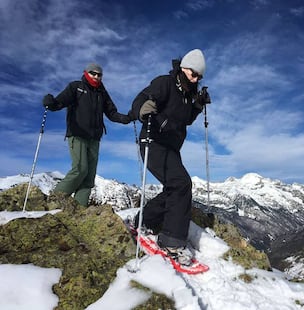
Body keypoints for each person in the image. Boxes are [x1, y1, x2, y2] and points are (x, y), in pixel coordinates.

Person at [128, 49, 211, 266]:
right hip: (152, 141)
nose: (196, 79)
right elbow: (141, 99)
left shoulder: (188, 94)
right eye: (194, 74)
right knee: (181, 183)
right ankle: (171, 241)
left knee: (174, 187)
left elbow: (187, 120)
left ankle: (143, 221)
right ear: (184, 68)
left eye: (199, 77)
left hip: (171, 147)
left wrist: (197, 105)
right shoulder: (164, 83)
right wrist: (142, 109)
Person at [42, 63, 131, 206]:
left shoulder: (101, 92)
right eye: (92, 73)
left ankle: (79, 210)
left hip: (94, 138)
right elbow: (59, 102)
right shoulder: (76, 87)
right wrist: (51, 103)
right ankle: (54, 203)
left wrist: (126, 118)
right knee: (80, 169)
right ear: (86, 73)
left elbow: (111, 112)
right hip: (77, 134)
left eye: (99, 74)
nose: (96, 76)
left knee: (89, 177)